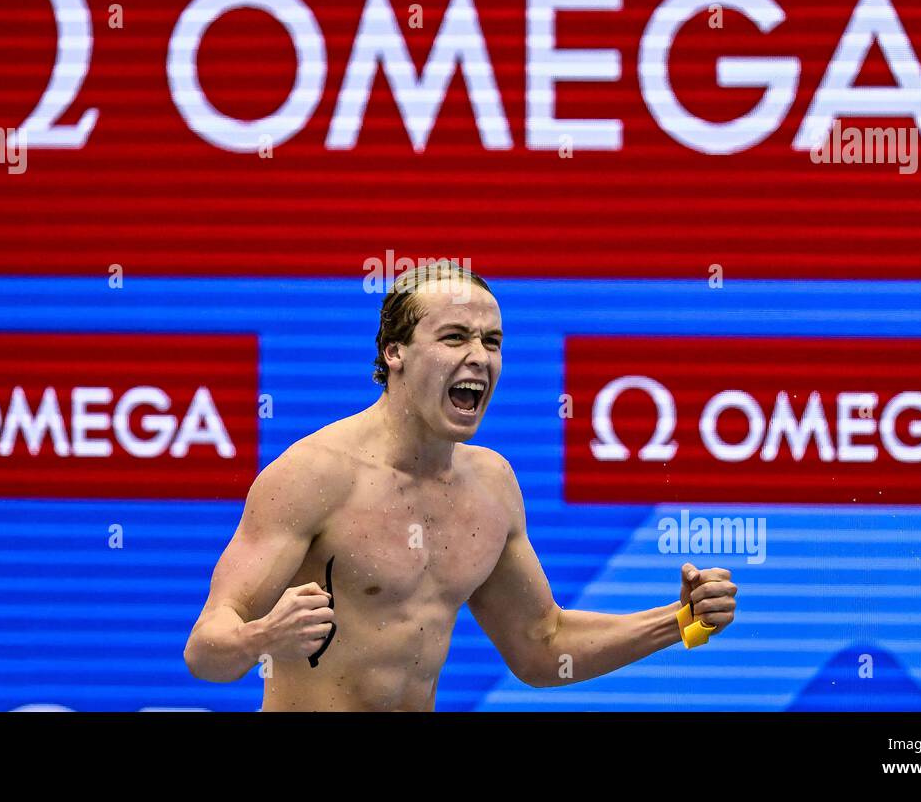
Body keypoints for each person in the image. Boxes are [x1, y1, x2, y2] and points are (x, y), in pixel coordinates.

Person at [183, 260, 738, 710]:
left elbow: (542, 648)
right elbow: (204, 650)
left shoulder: (490, 486)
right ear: (394, 352)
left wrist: (681, 620)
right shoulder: (314, 475)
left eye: (491, 341)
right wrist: (263, 638)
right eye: (454, 337)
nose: (479, 356)